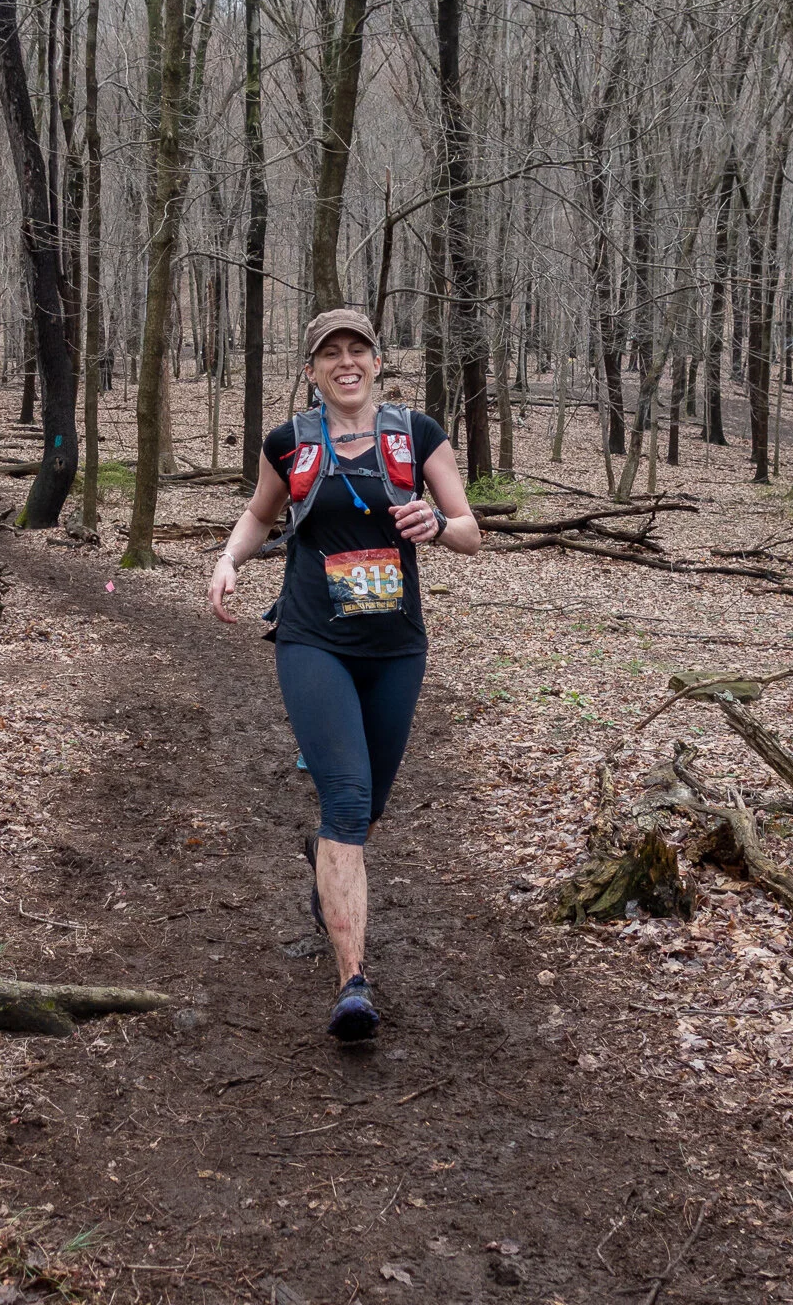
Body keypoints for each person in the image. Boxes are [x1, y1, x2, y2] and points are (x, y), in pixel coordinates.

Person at [207, 308, 480, 1040]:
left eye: (358, 349)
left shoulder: (415, 435)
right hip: (311, 639)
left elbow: (470, 532)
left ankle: (324, 857)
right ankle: (352, 982)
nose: (346, 361)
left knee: (367, 808)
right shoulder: (290, 442)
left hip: (395, 646)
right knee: (349, 804)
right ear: (312, 371)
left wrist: (435, 523)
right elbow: (260, 515)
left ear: (377, 362)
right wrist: (229, 561)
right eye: (331, 353)